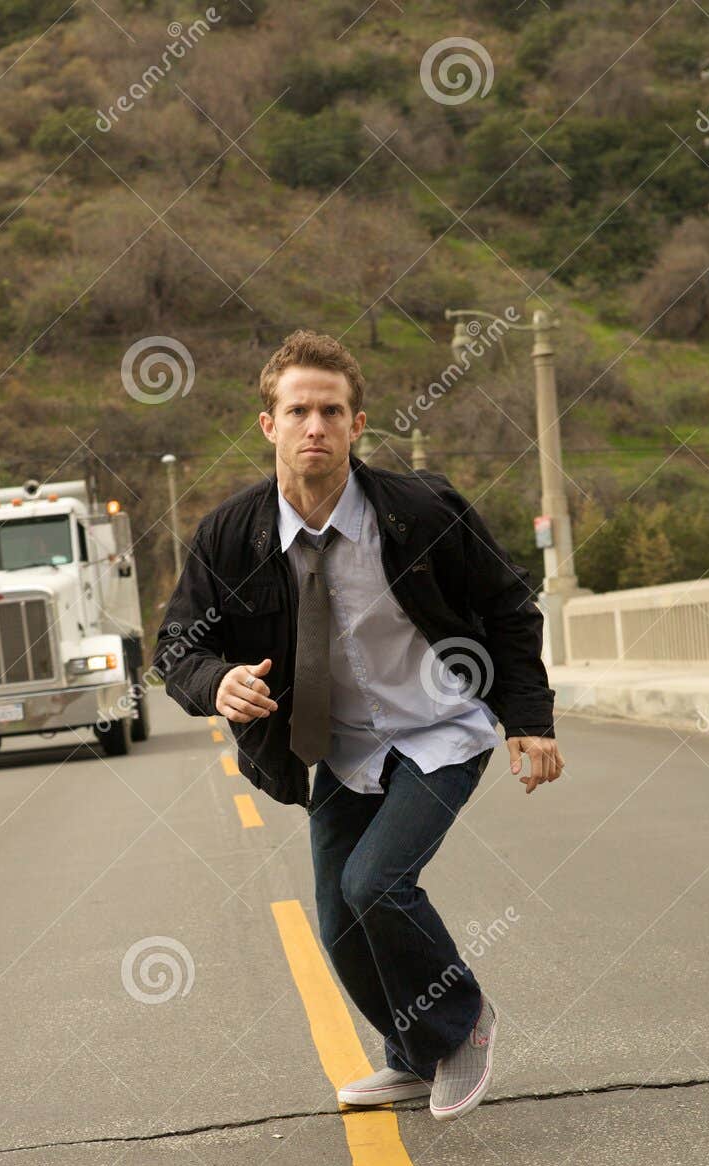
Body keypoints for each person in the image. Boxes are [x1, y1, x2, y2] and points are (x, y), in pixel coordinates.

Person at [152, 329, 563, 1120]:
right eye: (297, 411)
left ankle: (460, 1024)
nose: (315, 426)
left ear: (357, 423)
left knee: (375, 883)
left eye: (331, 411)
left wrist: (528, 719)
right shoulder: (229, 537)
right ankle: (412, 1057)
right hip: (341, 748)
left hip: (437, 728)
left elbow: (509, 605)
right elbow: (176, 646)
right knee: (340, 921)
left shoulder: (419, 511)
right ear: (268, 424)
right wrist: (215, 681)